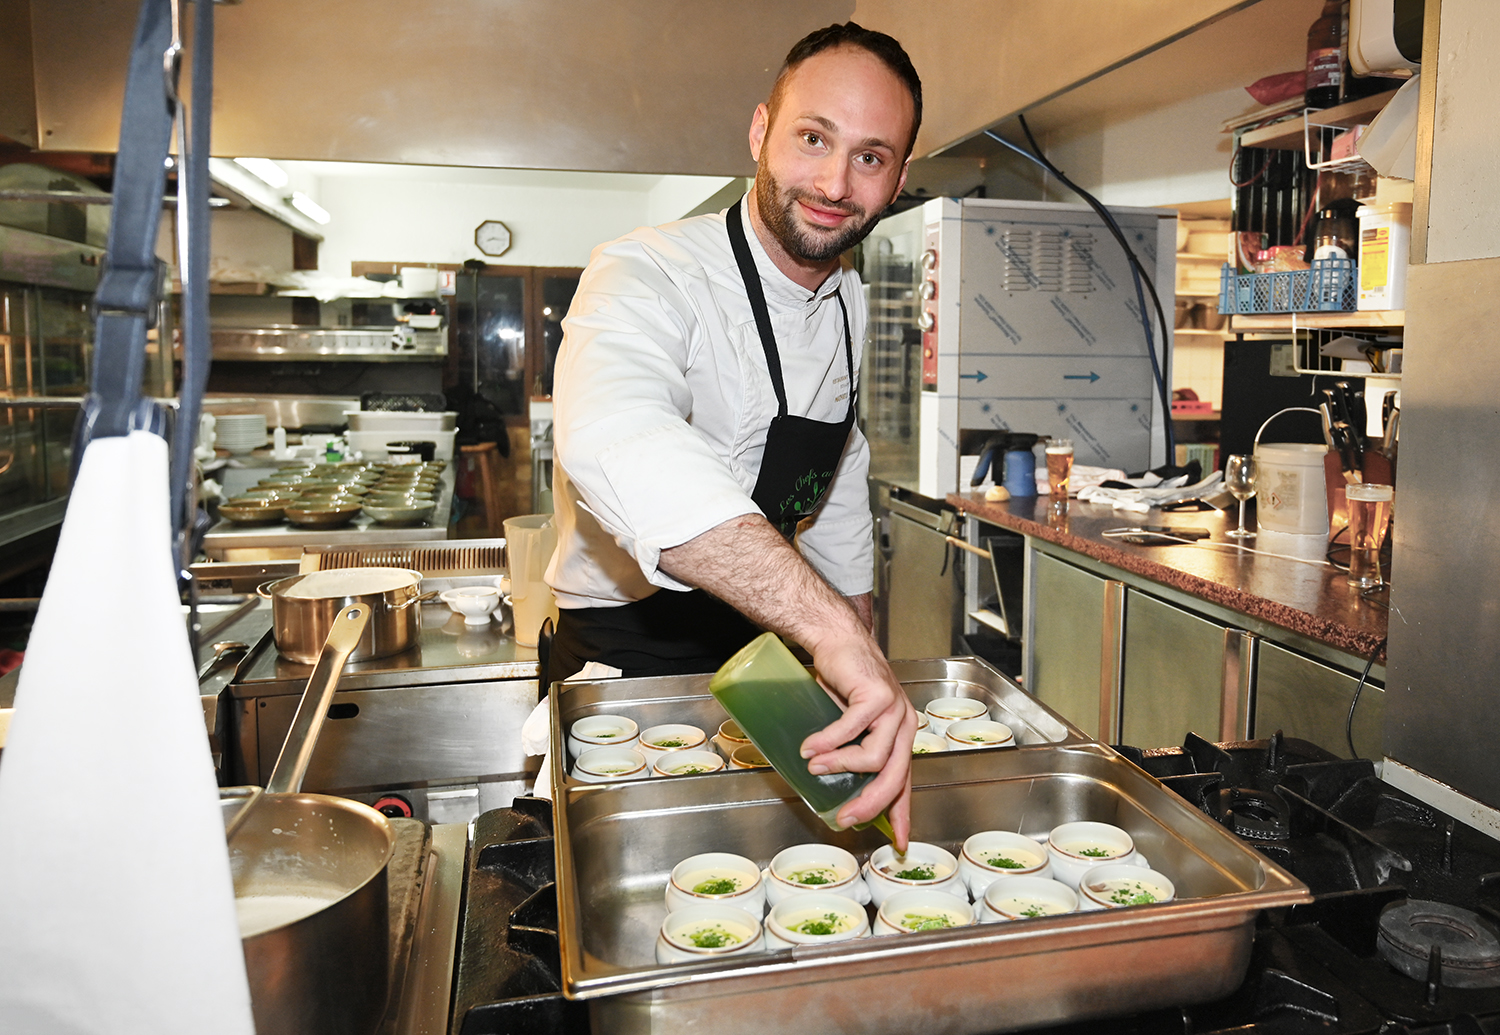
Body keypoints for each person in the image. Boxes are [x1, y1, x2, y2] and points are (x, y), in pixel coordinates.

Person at [547, 23, 921, 844]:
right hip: (629, 658)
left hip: (769, 652)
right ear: (760, 132)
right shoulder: (645, 271)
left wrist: (853, 631)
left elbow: (841, 461)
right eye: (813, 138)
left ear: (896, 179)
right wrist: (824, 625)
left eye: (870, 156)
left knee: (780, 870)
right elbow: (614, 432)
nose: (834, 181)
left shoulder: (849, 296)